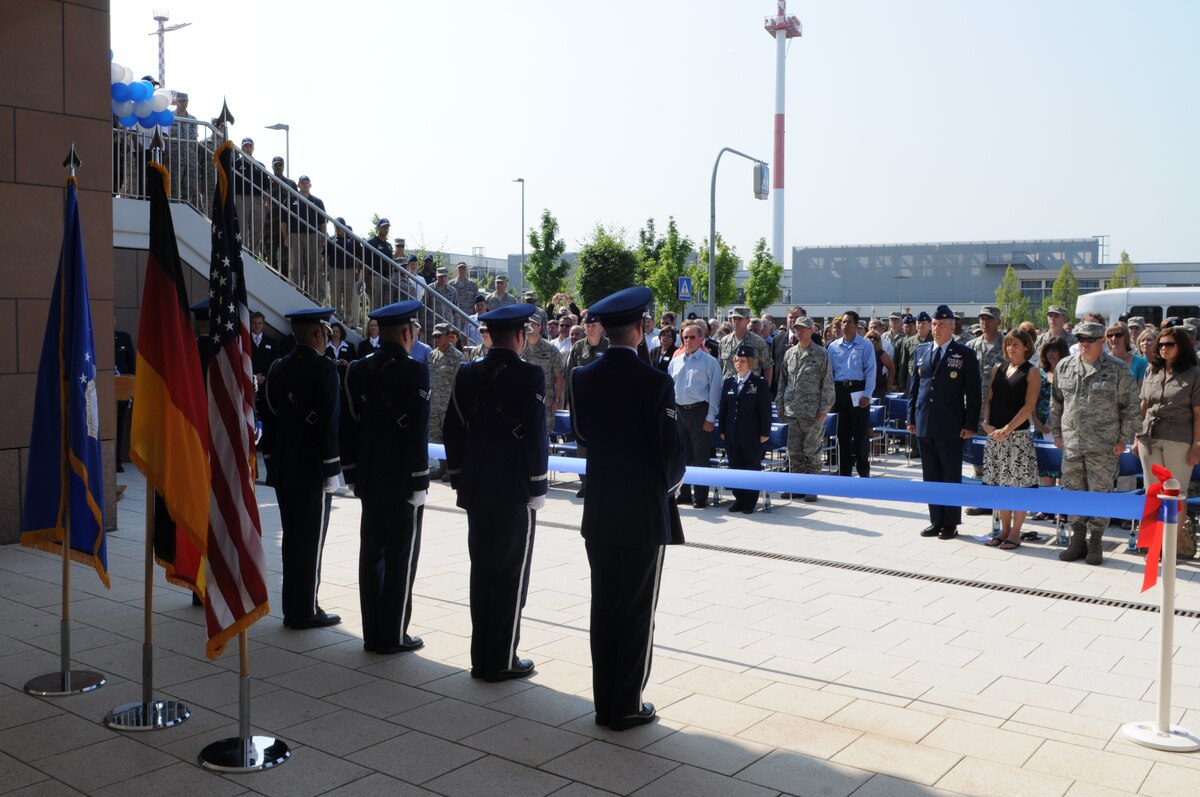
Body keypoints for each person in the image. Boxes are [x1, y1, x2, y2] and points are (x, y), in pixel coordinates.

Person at [570, 286, 684, 731]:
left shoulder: (583, 376)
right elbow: (671, 456)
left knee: (605, 605)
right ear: (640, 329)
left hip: (599, 507)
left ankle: (604, 704)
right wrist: (666, 487)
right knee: (636, 609)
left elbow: (581, 433)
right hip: (641, 511)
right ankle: (626, 705)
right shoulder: (656, 382)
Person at [444, 303, 548, 682]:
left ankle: (480, 657)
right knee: (508, 575)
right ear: (520, 336)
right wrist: (538, 485)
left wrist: (459, 479)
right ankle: (502, 659)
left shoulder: (467, 372)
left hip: (476, 489)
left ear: (489, 335)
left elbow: (452, 428)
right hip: (512, 491)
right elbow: (536, 435)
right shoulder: (530, 375)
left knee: (482, 571)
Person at [342, 301, 430, 654]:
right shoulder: (414, 371)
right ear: (407, 333)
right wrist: (420, 481)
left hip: (367, 475)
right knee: (400, 558)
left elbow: (348, 425)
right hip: (401, 480)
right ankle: (393, 635)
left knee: (371, 555)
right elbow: (417, 433)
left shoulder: (358, 369)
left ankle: (372, 632)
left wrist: (351, 473)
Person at [262, 308, 342, 629]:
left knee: (292, 539)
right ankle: (306, 610)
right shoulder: (325, 368)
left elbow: (268, 414)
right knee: (309, 542)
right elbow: (329, 423)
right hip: (312, 469)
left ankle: (290, 607)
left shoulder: (278, 367)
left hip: (283, 467)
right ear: (320, 336)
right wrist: (331, 469)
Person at [1050, 321, 1139, 565]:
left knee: (1100, 493)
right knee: (1073, 491)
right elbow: (1056, 402)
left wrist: (1123, 439)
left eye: (1090, 339)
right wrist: (1057, 432)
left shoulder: (1118, 369)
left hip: (1104, 446)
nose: (1084, 344)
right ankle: (1077, 539)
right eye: (1081, 339)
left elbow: (1130, 407)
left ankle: (1096, 540)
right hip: (1072, 443)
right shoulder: (1065, 366)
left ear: (1103, 341)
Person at [906, 305, 981, 540]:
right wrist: (911, 417)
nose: (936, 329)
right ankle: (935, 520)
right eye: (934, 325)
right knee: (930, 475)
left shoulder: (964, 354)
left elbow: (974, 392)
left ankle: (950, 523)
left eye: (941, 325)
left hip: (951, 424)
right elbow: (914, 388)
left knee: (949, 474)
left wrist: (970, 424)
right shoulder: (921, 351)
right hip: (925, 421)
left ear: (952, 327)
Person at [981, 329, 1041, 549]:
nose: (1011, 348)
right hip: (995, 437)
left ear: (1026, 346)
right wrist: (986, 423)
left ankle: (1016, 532)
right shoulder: (999, 368)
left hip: (1018, 437)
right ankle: (1003, 530)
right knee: (1000, 486)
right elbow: (989, 399)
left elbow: (1029, 406)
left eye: (1016, 344)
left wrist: (1007, 429)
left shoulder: (1032, 372)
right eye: (1008, 344)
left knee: (1019, 486)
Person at [1136, 327, 1200, 499]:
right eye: (1161, 344)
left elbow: (1198, 413)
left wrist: (1197, 444)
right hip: (1149, 436)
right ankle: (1155, 527)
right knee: (1152, 491)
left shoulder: (1194, 374)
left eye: (1170, 344)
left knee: (1175, 492)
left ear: (1182, 347)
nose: (1164, 348)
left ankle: (1174, 528)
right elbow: (1144, 405)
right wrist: (1137, 436)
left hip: (1178, 438)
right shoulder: (1151, 370)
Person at [777, 317, 834, 502]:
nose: (799, 332)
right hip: (792, 411)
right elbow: (782, 381)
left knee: (812, 452)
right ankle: (796, 487)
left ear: (812, 331)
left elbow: (827, 383)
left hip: (813, 412)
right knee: (793, 452)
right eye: (796, 329)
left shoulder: (821, 354)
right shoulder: (790, 354)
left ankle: (811, 487)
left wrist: (824, 408)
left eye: (802, 329)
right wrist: (780, 405)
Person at [668, 320, 723, 509]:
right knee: (681, 456)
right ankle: (683, 493)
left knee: (700, 457)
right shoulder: (675, 362)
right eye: (685, 337)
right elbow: (670, 391)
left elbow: (715, 392)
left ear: (701, 339)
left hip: (700, 412)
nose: (689, 341)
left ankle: (700, 497)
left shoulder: (710, 362)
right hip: (679, 413)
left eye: (692, 337)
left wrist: (710, 417)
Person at [719, 344, 773, 514]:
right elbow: (724, 408)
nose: (739, 364)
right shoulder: (729, 382)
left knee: (750, 468)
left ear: (750, 363)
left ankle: (749, 502)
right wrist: (722, 429)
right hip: (732, 433)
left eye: (743, 361)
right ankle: (738, 499)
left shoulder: (759, 383)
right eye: (737, 361)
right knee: (735, 467)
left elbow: (764, 410)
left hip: (751, 434)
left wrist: (765, 432)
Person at [564, 312, 609, 497]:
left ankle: (602, 482)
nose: (590, 328)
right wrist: (568, 401)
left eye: (593, 325)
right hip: (582, 405)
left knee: (603, 445)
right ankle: (585, 483)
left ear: (601, 327)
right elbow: (569, 374)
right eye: (587, 326)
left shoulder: (609, 346)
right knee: (582, 445)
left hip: (604, 405)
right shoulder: (578, 348)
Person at [827, 310, 876, 478]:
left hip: (858, 391)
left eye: (849, 322)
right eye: (843, 322)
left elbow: (871, 371)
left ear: (856, 325)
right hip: (840, 390)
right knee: (842, 434)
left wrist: (867, 395)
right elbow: (830, 373)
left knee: (860, 433)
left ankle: (863, 470)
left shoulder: (865, 345)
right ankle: (844, 470)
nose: (845, 325)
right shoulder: (833, 346)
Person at [521, 316, 564, 429]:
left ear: (539, 327)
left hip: (545, 401)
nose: (529, 327)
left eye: (532, 324)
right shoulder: (519, 347)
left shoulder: (551, 349)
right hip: (523, 399)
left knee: (544, 433)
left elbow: (559, 376)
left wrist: (557, 399)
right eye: (527, 324)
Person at [289, 175, 326, 296]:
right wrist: (285, 236)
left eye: (306, 182)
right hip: (296, 235)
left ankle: (311, 293)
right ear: (298, 185)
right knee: (297, 265)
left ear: (310, 185)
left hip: (312, 236)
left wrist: (322, 238)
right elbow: (284, 220)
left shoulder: (317, 202)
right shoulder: (291, 199)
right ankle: (298, 291)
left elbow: (322, 222)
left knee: (312, 266)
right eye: (302, 182)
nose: (304, 184)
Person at [718, 308, 773, 383]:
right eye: (734, 318)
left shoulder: (758, 342)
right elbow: (720, 367)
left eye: (740, 319)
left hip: (751, 390)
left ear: (747, 321)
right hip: (728, 389)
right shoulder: (724, 342)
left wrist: (765, 389)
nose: (736, 321)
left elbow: (768, 367)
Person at [864, 331, 895, 399]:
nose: (872, 339)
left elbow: (891, 368)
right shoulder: (861, 352)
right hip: (863, 386)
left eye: (875, 338)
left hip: (878, 387)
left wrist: (889, 385)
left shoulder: (881, 353)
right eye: (870, 337)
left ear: (878, 342)